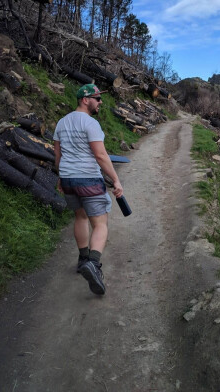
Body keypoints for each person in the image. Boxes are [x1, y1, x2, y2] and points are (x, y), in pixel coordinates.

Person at [53, 83, 124, 295]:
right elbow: (101, 156)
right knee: (100, 224)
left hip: (68, 179)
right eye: (97, 98)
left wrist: (60, 177)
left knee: (80, 217)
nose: (100, 102)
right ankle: (93, 264)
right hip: (88, 180)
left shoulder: (61, 123)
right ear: (86, 99)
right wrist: (116, 179)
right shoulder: (90, 124)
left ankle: (82, 258)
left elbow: (58, 155)